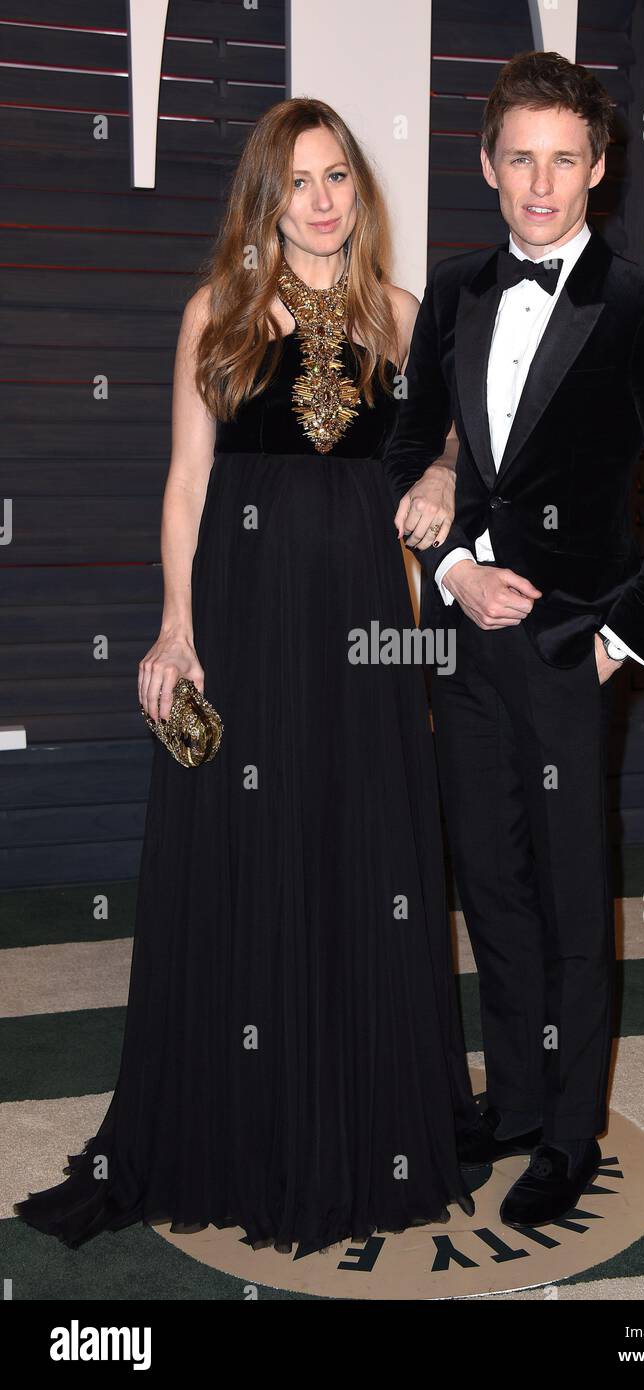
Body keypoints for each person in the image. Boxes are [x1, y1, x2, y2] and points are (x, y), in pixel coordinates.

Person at [14, 97, 482, 1255]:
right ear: (263, 203)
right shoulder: (216, 314)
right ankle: (243, 1124)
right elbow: (185, 481)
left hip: (365, 626)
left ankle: (364, 1121)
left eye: (336, 179)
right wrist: (175, 626)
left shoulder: (400, 316)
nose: (321, 203)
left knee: (360, 845)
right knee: (247, 848)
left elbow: (459, 437)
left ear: (356, 194)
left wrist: (438, 476)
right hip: (245, 609)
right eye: (297, 185)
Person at [387, 51, 644, 1230]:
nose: (541, 184)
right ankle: (519, 1098)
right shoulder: (451, 291)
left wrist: (616, 639)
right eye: (519, 159)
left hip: (569, 652)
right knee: (485, 879)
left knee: (572, 895)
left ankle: (572, 1134)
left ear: (598, 168)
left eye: (564, 160)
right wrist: (451, 567)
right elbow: (408, 452)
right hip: (464, 644)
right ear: (488, 166)